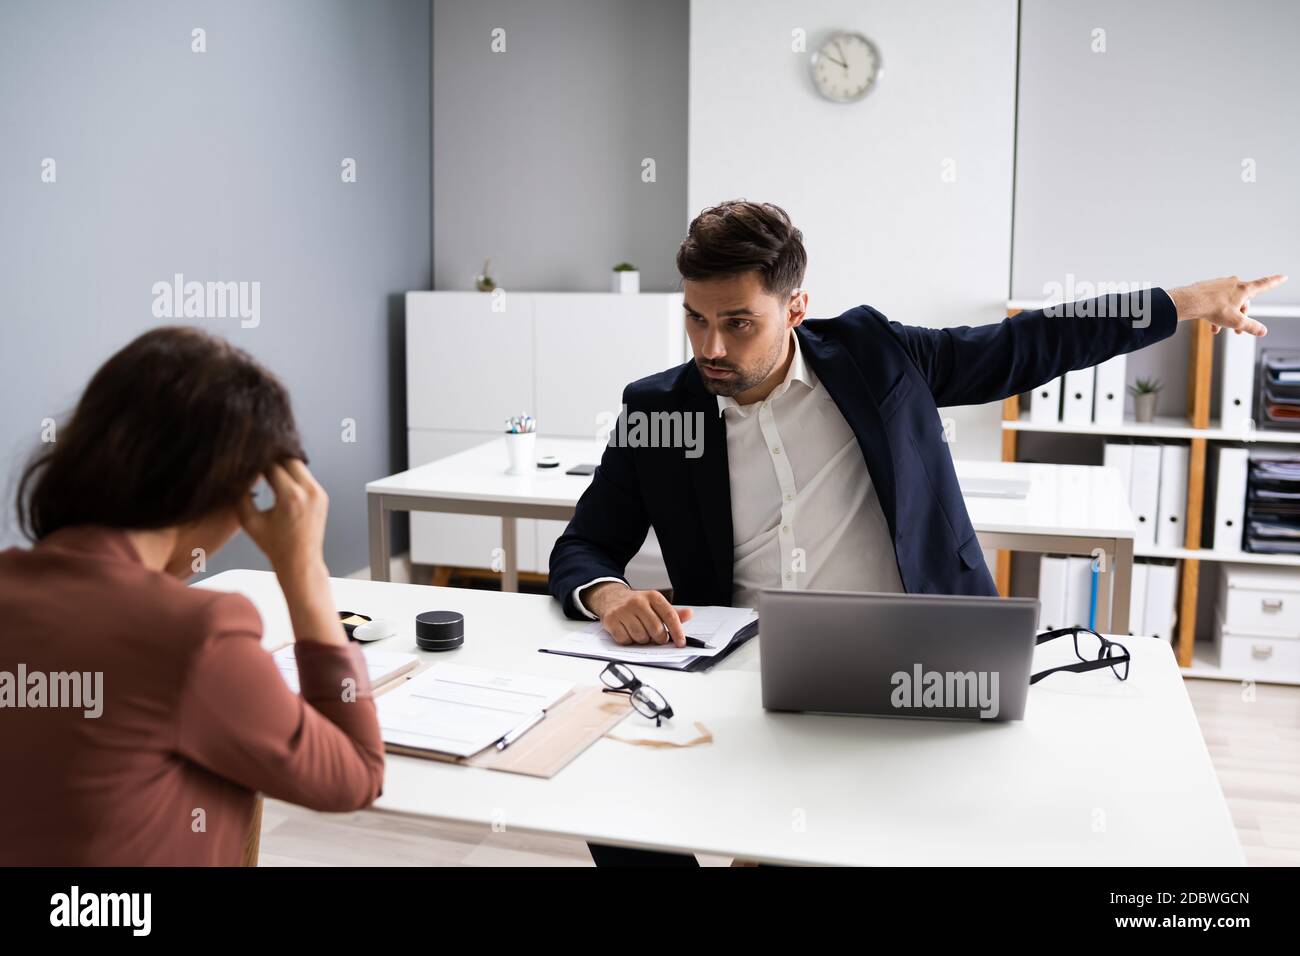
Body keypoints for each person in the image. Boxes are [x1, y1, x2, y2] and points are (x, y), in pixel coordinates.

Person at [550, 199, 1283, 866]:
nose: (711, 345)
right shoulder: (662, 408)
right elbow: (584, 544)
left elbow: (1030, 342)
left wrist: (1184, 303)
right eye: (695, 318)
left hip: (915, 663)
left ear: (796, 307)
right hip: (748, 672)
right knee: (608, 796)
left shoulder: (876, 355)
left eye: (738, 321)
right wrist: (609, 591)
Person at [0, 326, 384, 865]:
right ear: (218, 489)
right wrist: (304, 574)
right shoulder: (194, 635)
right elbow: (356, 774)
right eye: (249, 494)